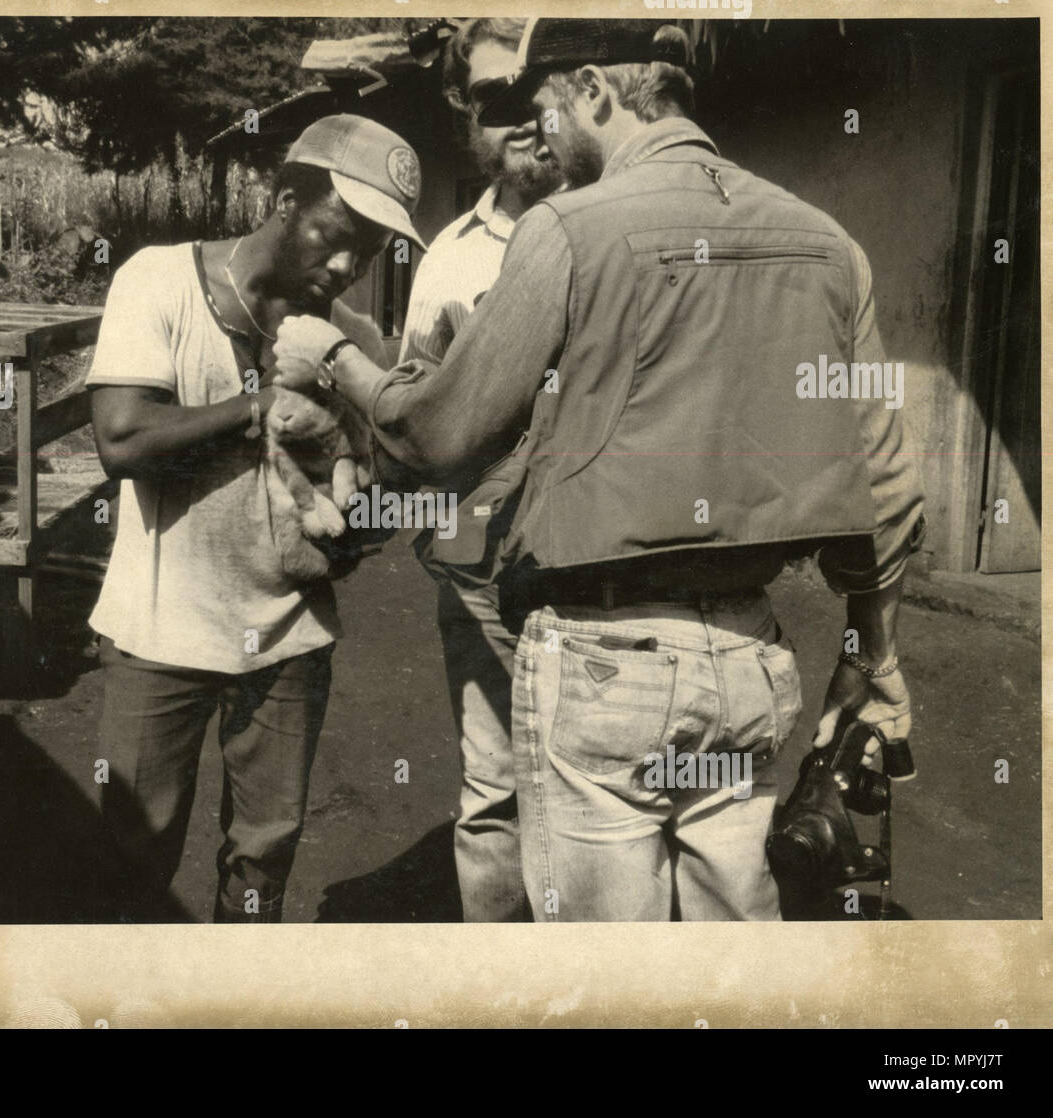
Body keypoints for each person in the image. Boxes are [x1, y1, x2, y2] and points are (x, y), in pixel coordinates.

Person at [272, 20, 925, 922]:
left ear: (592, 90)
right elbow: (886, 488)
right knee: (731, 959)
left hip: (603, 660)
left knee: (606, 977)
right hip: (750, 655)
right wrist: (874, 655)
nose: (539, 133)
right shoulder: (827, 242)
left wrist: (338, 359)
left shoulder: (567, 231)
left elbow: (437, 433)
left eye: (545, 107)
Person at [86, 114, 422, 922]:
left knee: (262, 864)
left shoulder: (348, 339)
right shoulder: (157, 281)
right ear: (282, 201)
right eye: (334, 236)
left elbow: (364, 485)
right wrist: (261, 405)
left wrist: (362, 526)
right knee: (132, 851)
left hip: (288, 639)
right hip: (159, 630)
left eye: (369, 253)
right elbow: (123, 439)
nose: (345, 266)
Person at [398, 17, 562, 922]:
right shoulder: (451, 259)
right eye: (497, 100)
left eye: (539, 92)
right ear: (468, 115)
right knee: (496, 787)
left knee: (607, 801)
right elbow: (418, 423)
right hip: (485, 568)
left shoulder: (618, 226)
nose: (526, 118)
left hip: (604, 570)